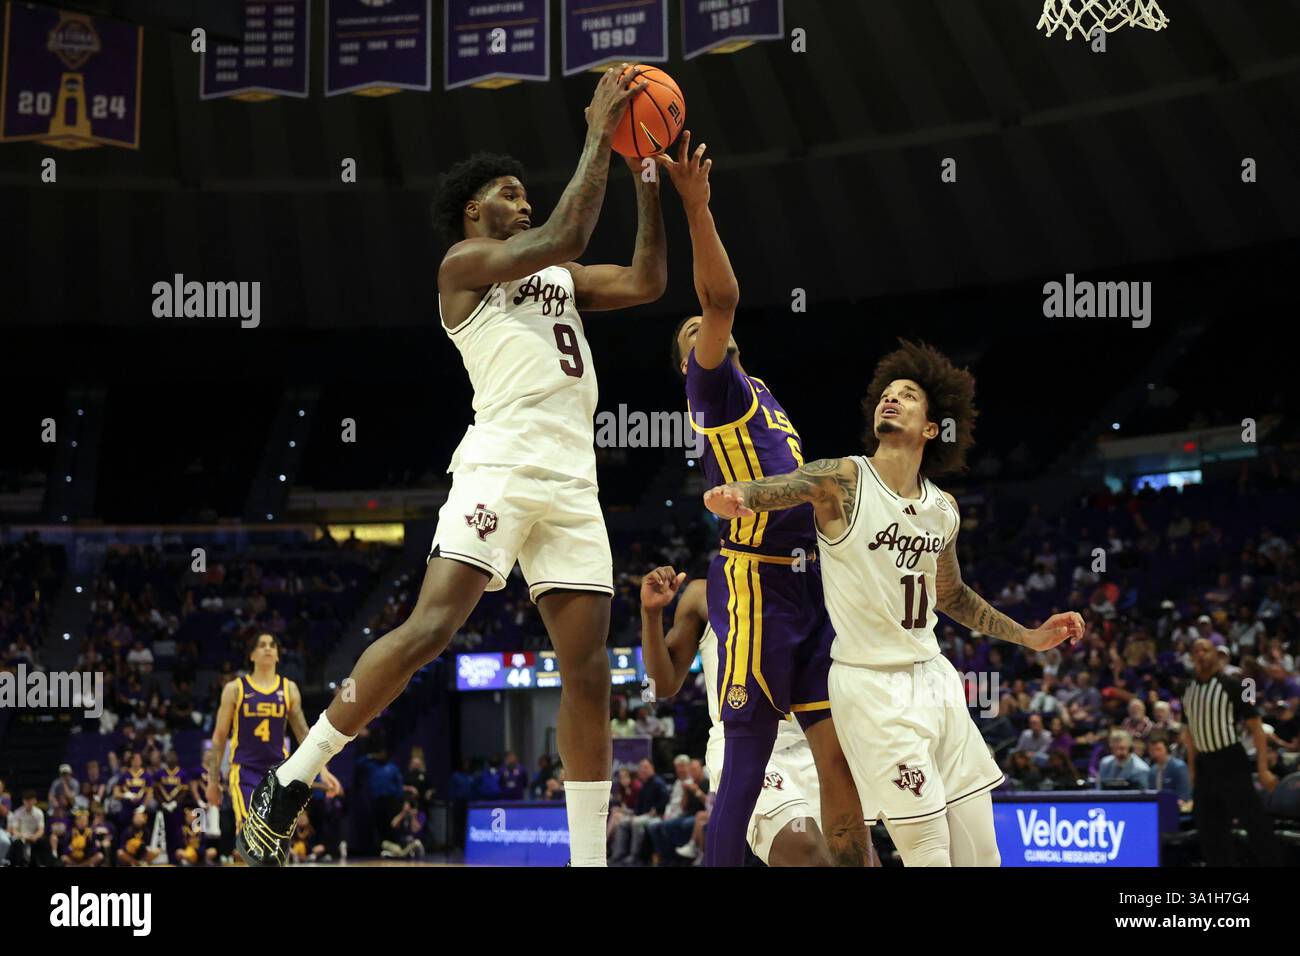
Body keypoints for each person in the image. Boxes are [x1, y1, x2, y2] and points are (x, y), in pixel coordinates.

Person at [239, 65, 668, 868]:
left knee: (587, 676)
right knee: (432, 628)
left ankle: (586, 862)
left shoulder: (557, 276)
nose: (525, 201)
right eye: (511, 192)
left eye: (525, 194)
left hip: (575, 481)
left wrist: (646, 170)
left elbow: (646, 280)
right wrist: (598, 133)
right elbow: (569, 233)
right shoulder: (463, 267)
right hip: (501, 464)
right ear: (477, 210)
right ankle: (292, 780)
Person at [704, 340, 1085, 866]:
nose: (892, 399)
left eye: (907, 395)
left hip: (935, 678)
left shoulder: (942, 508)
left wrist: (1028, 635)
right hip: (869, 685)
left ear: (932, 428)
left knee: (983, 853)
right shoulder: (845, 479)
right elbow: (787, 486)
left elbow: (950, 594)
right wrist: (740, 496)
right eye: (887, 393)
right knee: (927, 851)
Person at [660, 129, 867, 868]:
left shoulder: (763, 394)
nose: (705, 331)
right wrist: (696, 206)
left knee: (835, 750)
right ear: (691, 360)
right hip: (755, 577)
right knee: (745, 750)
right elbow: (721, 295)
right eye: (693, 334)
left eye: (704, 331)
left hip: (813, 581)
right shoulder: (710, 386)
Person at [640, 568, 877, 867]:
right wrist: (650, 615)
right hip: (743, 744)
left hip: (817, 744)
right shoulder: (703, 592)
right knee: (805, 851)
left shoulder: (818, 576)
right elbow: (660, 687)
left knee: (857, 860)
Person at [209, 632, 342, 859]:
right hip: (245, 771)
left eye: (272, 645)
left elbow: (304, 734)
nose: (268, 648)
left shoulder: (288, 689)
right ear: (251, 655)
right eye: (261, 645)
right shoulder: (235, 689)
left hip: (279, 772)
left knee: (275, 841)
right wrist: (212, 780)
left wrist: (324, 770)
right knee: (251, 835)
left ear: (279, 656)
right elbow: (219, 737)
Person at [1182, 638, 1282, 865]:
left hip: (1231, 761)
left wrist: (1263, 768)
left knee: (1256, 826)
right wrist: (1191, 770)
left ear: (1216, 655)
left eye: (1205, 650)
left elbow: (1256, 727)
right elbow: (1189, 734)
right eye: (1196, 650)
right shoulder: (1188, 690)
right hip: (1204, 766)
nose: (1201, 654)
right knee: (1210, 832)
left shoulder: (1233, 685)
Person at [1145, 735, 1191, 805]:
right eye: (1152, 750)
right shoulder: (1152, 770)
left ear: (1166, 749)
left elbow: (1184, 795)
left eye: (1158, 749)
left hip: (1176, 808)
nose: (1155, 753)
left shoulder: (1178, 767)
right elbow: (1150, 793)